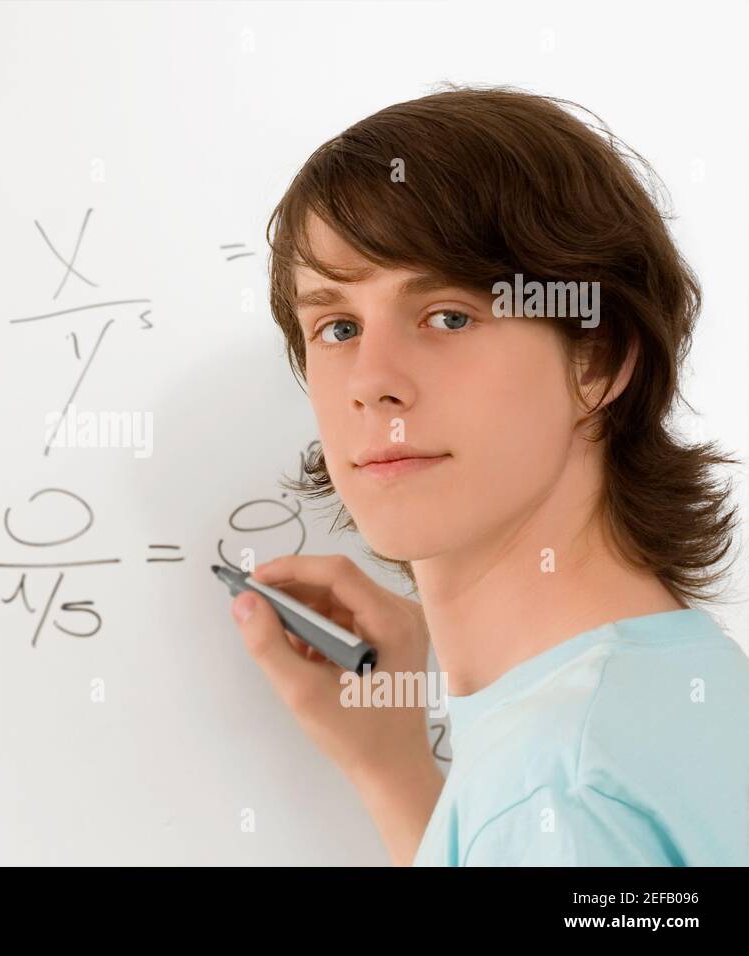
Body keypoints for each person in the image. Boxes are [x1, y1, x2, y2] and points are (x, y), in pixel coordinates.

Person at [231, 85, 749, 866]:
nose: (371, 380)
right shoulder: (678, 690)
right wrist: (392, 769)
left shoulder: (555, 792)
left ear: (597, 357)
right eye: (337, 327)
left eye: (448, 316)